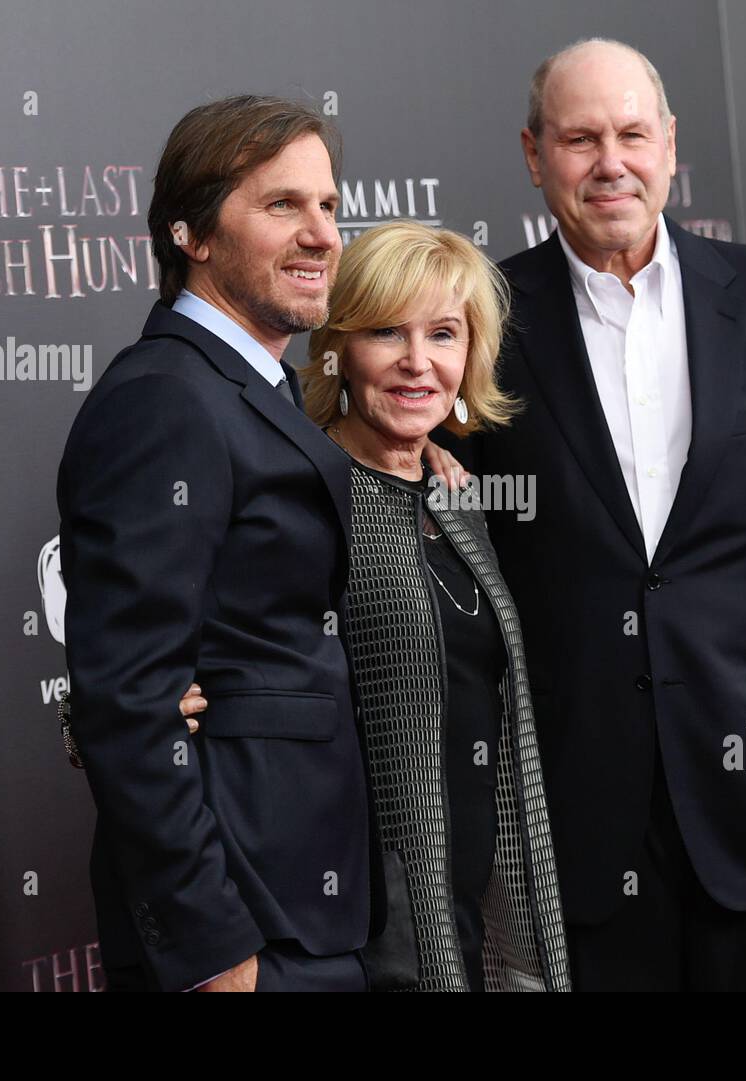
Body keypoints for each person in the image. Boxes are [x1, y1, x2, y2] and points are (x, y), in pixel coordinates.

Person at [439, 38, 746, 991]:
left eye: (630, 134)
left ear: (669, 145)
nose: (609, 163)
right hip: (576, 816)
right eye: (580, 139)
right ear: (534, 155)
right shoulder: (477, 316)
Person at [56, 96, 463, 992]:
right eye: (282, 206)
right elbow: (128, 700)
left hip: (310, 910)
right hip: (242, 931)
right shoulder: (163, 400)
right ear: (192, 235)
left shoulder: (261, 391)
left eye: (328, 205)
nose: (322, 233)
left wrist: (409, 444)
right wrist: (207, 947)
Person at [182, 221, 571, 991]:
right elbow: (209, 665)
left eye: (444, 334)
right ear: (339, 348)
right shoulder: (301, 496)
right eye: (387, 331)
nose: (418, 361)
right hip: (360, 923)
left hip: (479, 901)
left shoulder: (455, 497)